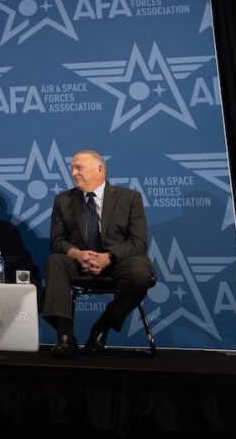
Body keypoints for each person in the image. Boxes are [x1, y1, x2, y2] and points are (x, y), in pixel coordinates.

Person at [43, 150, 156, 358]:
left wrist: (108, 257)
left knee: (140, 274)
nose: (73, 173)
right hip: (79, 262)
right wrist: (76, 253)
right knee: (55, 261)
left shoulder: (129, 198)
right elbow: (57, 241)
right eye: (71, 169)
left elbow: (138, 242)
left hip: (117, 263)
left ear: (100, 169)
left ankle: (102, 327)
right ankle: (65, 337)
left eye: (79, 168)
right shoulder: (63, 200)